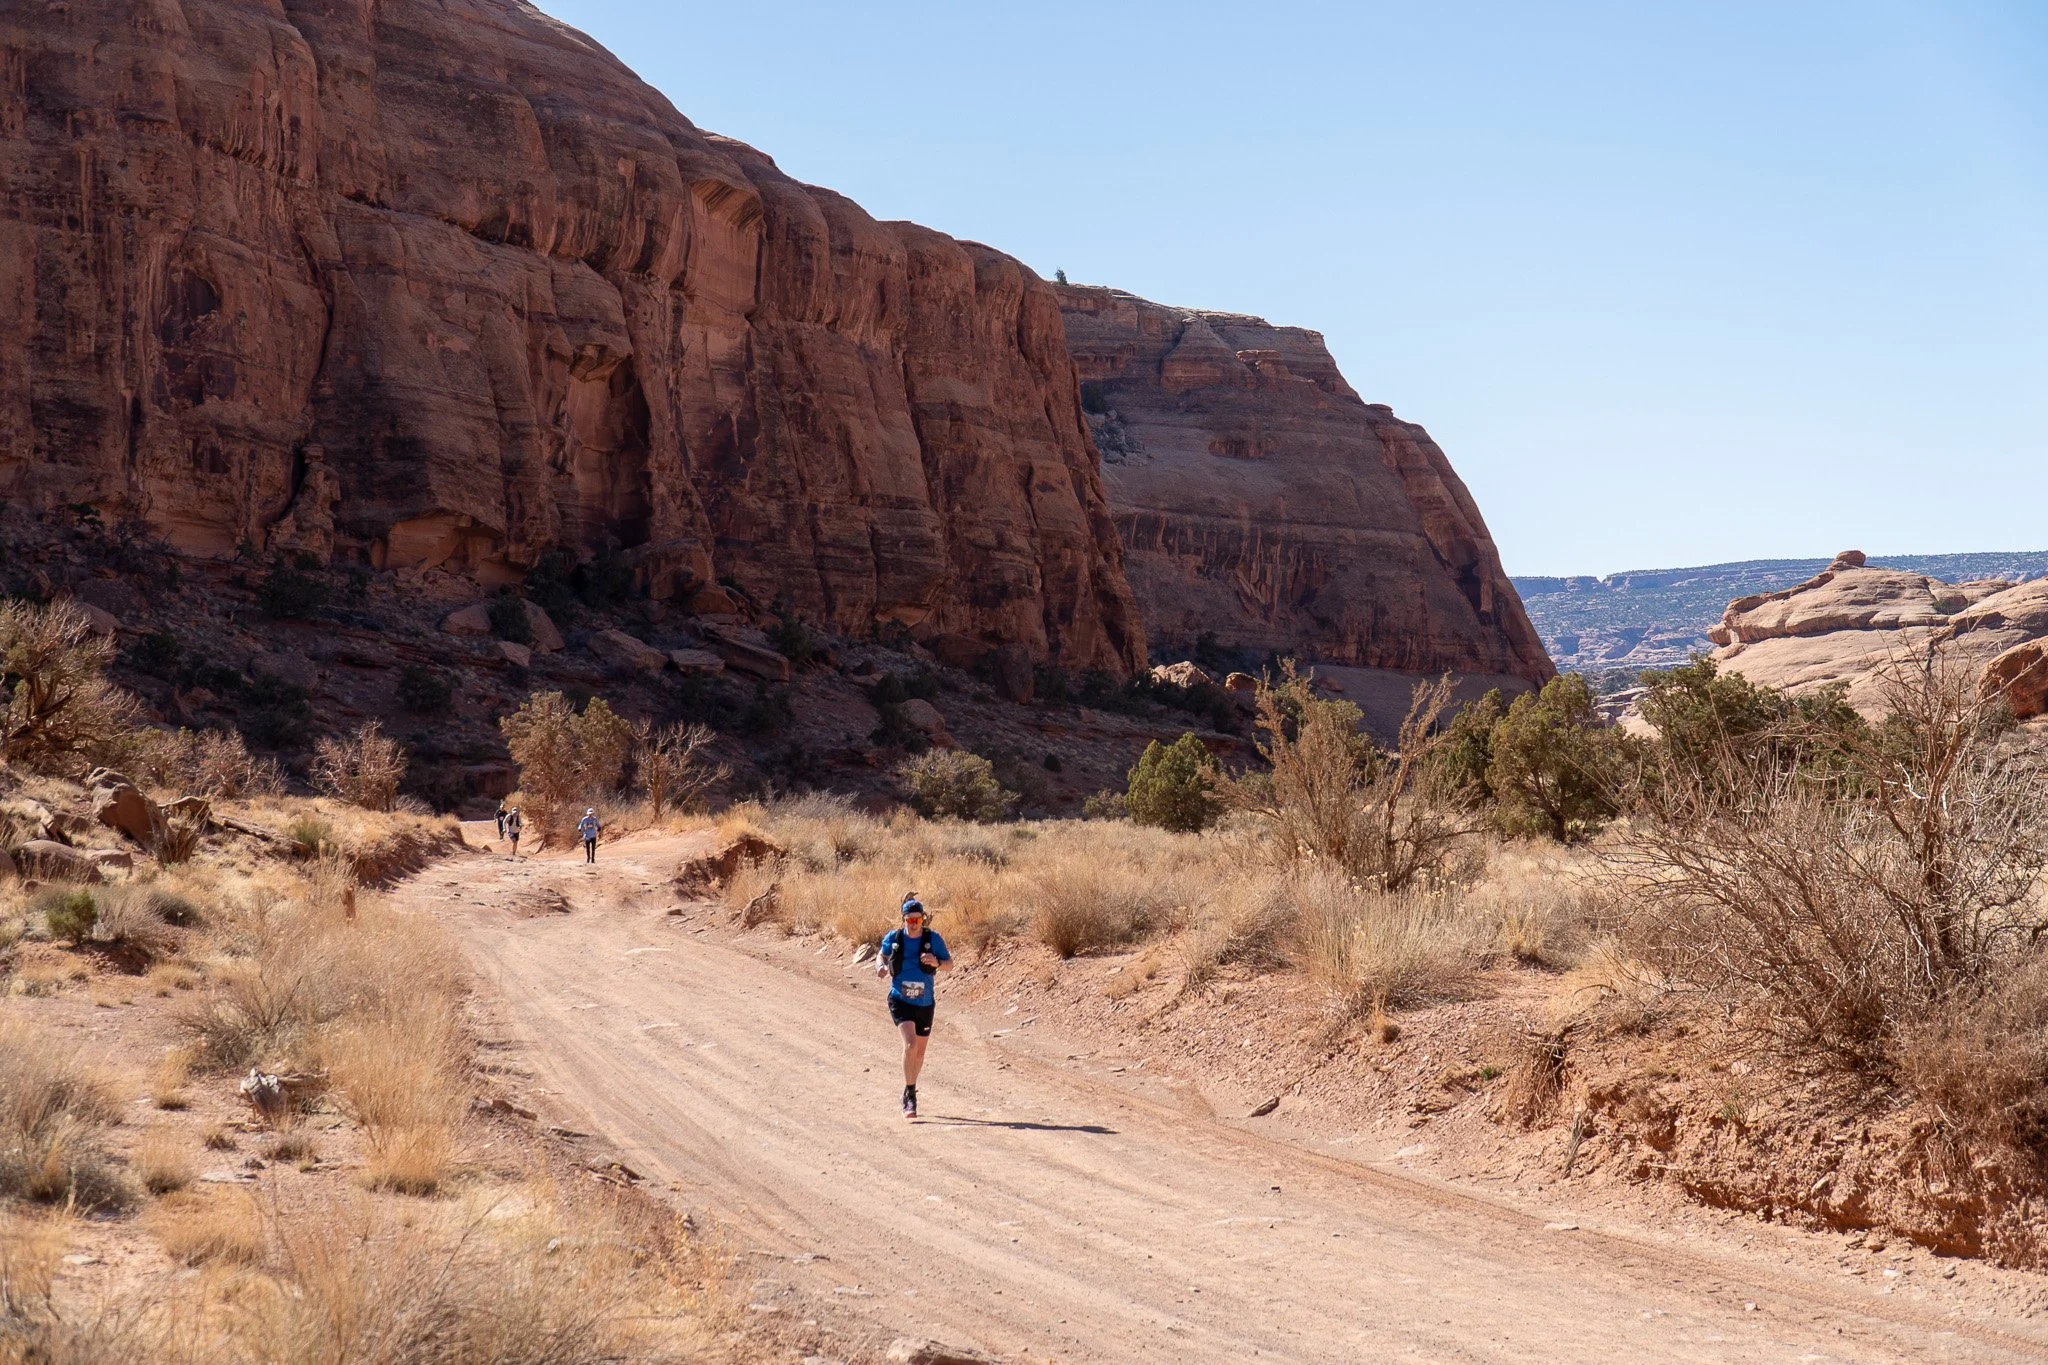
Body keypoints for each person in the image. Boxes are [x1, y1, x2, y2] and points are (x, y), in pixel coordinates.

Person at [874, 894, 951, 1119]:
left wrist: (937, 962)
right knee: (910, 1045)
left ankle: (910, 1086)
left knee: (919, 1053)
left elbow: (950, 965)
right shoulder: (894, 937)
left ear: (923, 919)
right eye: (910, 920)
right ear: (904, 920)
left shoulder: (933, 939)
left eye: (918, 920)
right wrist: (880, 966)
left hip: (925, 1002)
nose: (914, 924)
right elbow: (882, 955)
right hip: (900, 999)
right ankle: (910, 1095)